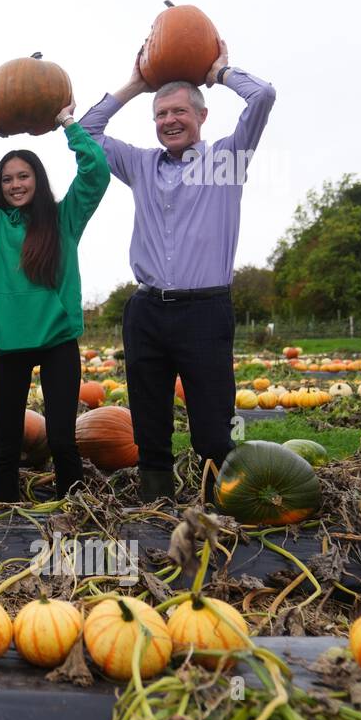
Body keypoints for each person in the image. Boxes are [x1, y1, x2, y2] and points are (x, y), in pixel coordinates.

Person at [79, 41, 276, 503]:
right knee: (148, 420)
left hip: (205, 310)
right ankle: (157, 506)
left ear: (202, 116)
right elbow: (86, 131)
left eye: (178, 112)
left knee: (212, 422)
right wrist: (135, 84)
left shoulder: (229, 159)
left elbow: (263, 96)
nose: (169, 121)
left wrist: (221, 73)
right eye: (160, 114)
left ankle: (216, 506)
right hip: (146, 310)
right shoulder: (140, 164)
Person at [0, 101, 111, 503]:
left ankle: (77, 513)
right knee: (4, 447)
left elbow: (96, 172)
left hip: (57, 343)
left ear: (37, 179)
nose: (15, 184)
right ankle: (2, 512)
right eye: (7, 179)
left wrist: (66, 122)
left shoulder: (63, 218)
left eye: (23, 176)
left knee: (61, 439)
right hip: (6, 346)